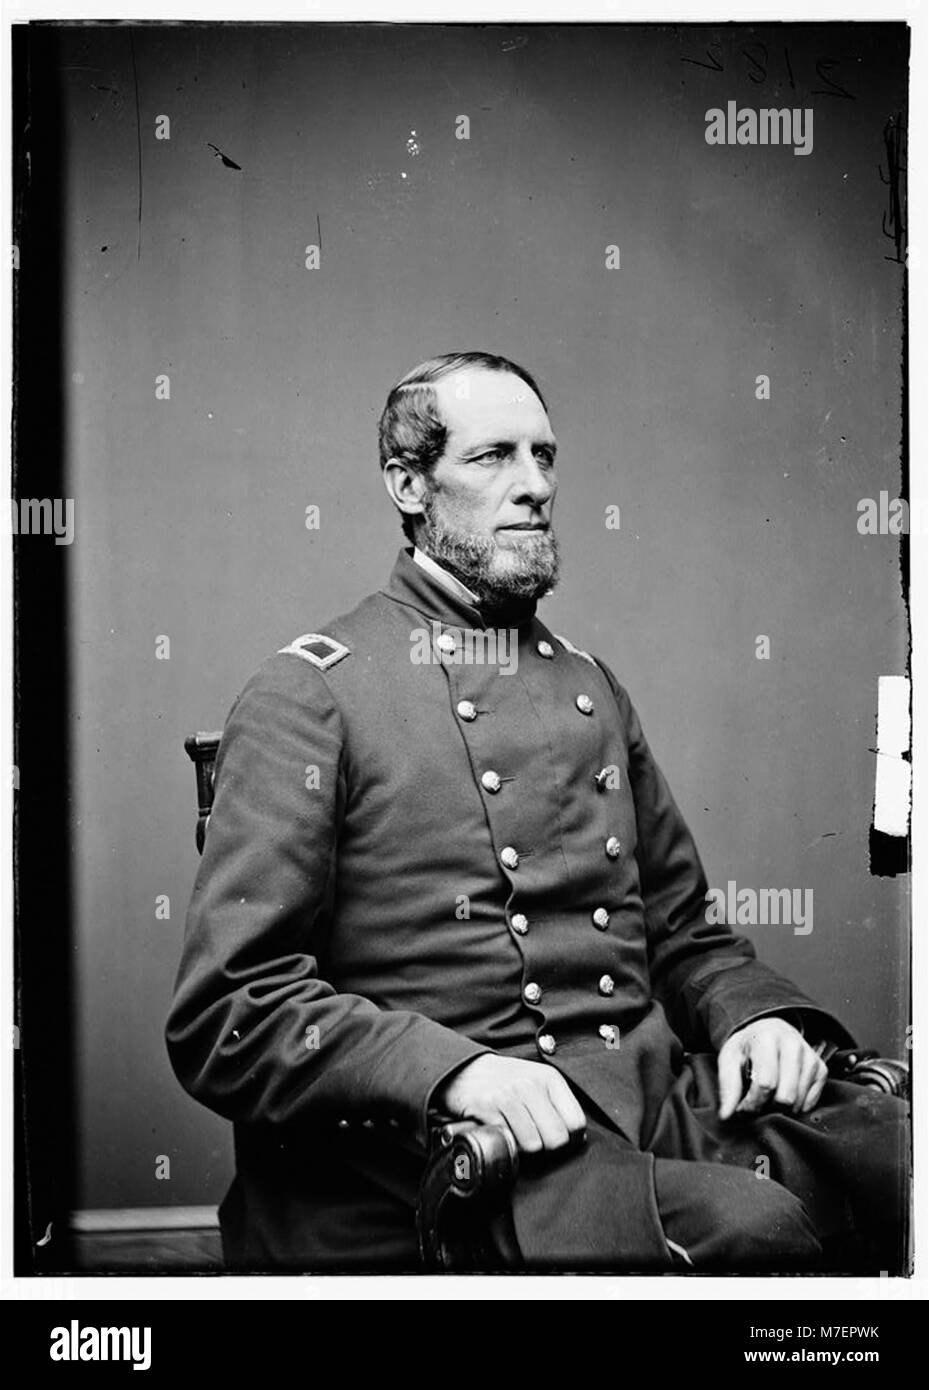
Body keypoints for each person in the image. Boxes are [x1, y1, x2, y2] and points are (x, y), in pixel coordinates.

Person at [166, 351, 908, 1272]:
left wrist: (751, 1019)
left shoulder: (589, 684)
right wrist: (454, 1073)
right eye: (492, 459)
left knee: (902, 1160)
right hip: (452, 1155)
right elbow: (230, 1012)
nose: (533, 487)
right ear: (407, 484)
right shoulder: (311, 694)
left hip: (646, 1103)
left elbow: (682, 932)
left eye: (544, 456)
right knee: (750, 1235)